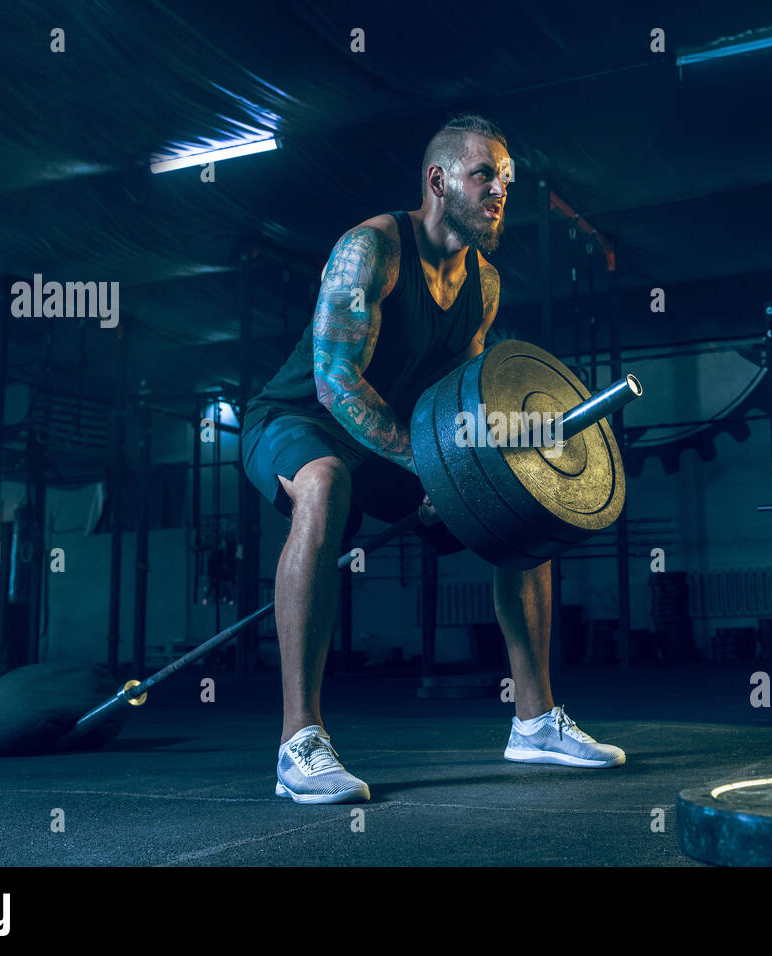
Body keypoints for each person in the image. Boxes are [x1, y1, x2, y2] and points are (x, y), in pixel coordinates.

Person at [241, 114, 625, 804]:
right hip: (298, 419)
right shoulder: (371, 250)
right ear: (439, 180)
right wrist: (429, 465)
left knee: (520, 510)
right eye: (485, 176)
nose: (498, 192)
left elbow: (461, 399)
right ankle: (299, 743)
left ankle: (534, 721)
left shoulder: (486, 284)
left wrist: (477, 476)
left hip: (394, 438)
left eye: (505, 181)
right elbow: (334, 382)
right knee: (324, 483)